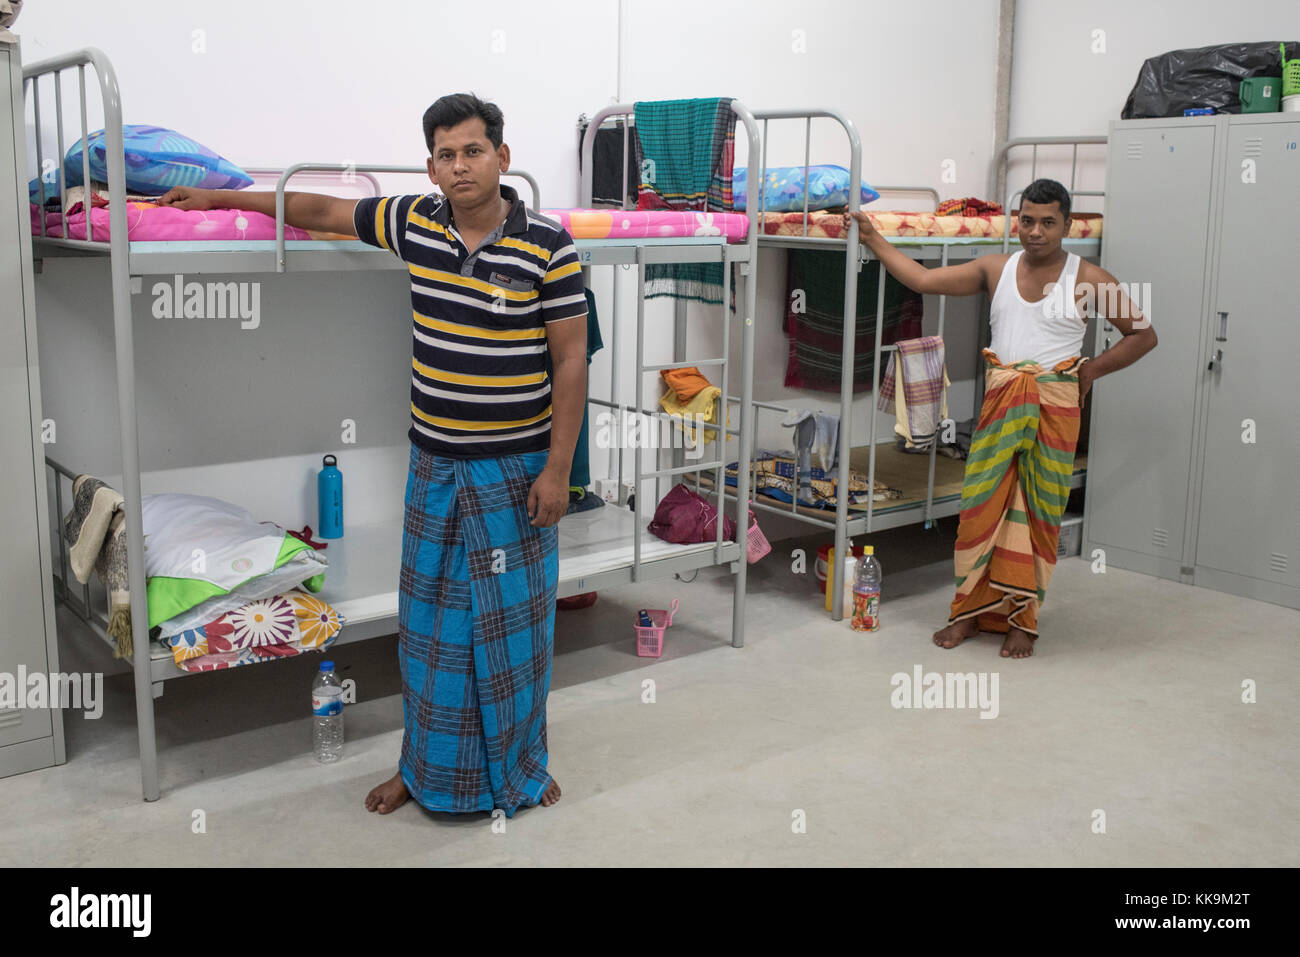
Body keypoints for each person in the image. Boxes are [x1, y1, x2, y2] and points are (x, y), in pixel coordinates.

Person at [158, 93, 587, 812]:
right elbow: (323, 212)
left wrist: (557, 471)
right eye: (445, 155)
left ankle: (519, 771)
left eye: (473, 151)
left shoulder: (549, 243)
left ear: (502, 158)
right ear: (431, 167)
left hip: (516, 471)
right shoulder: (414, 222)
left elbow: (571, 361)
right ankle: (421, 771)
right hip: (436, 467)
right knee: (427, 630)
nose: (459, 166)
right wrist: (216, 194)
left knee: (514, 634)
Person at [846, 178, 1156, 658]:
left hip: (1055, 410)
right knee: (981, 509)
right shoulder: (996, 269)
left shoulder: (1091, 279)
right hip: (1001, 404)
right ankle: (969, 613)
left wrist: (1091, 369)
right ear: (1018, 221)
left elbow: (1143, 335)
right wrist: (874, 238)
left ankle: (1023, 622)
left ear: (1066, 225)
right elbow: (925, 281)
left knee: (1037, 513)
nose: (1035, 232)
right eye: (1027, 220)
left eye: (1048, 222)